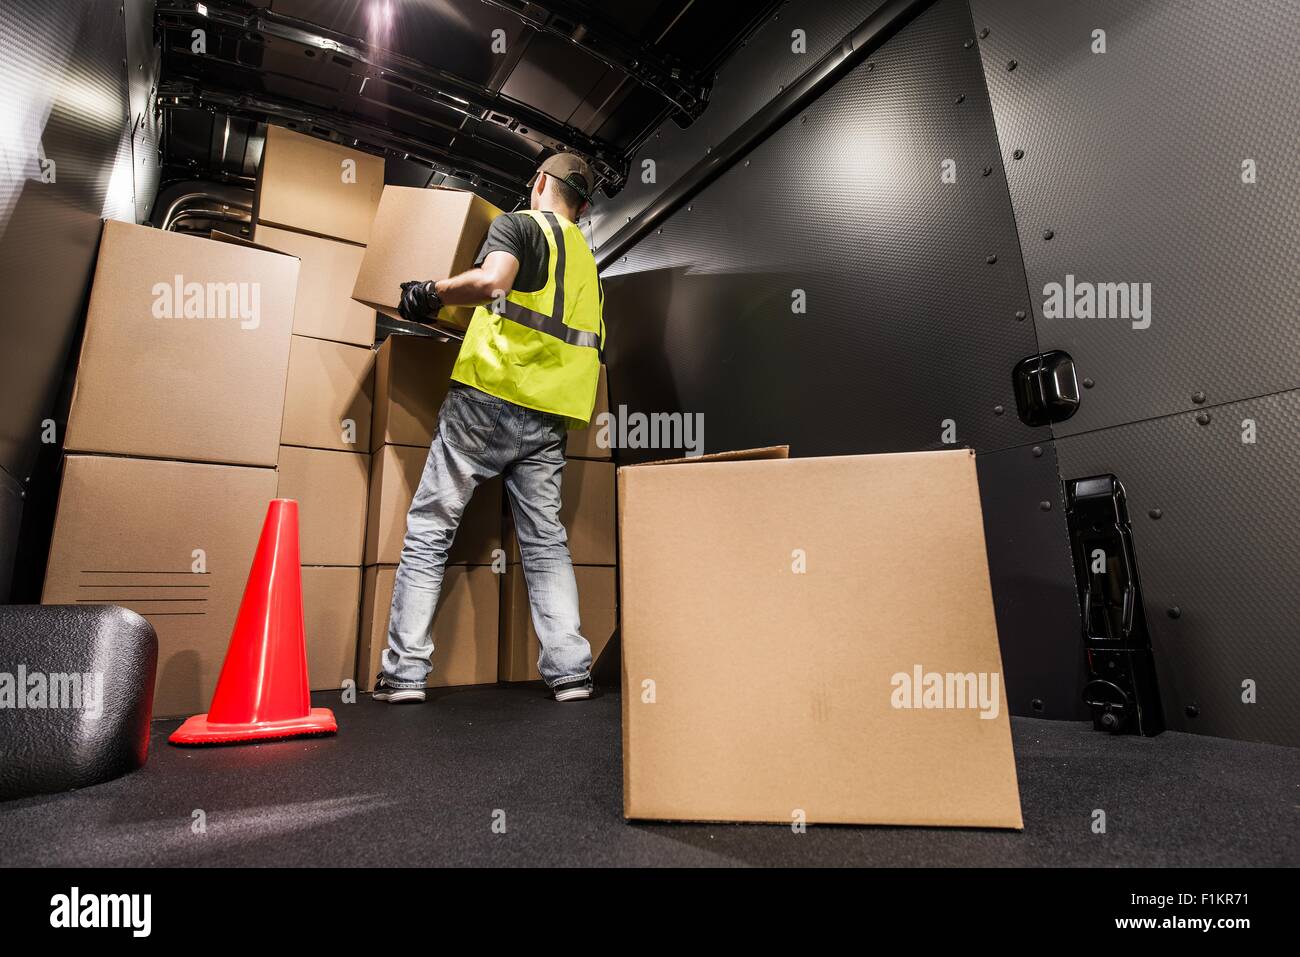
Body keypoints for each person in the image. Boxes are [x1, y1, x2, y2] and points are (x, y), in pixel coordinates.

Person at [373, 153, 605, 704]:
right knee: (545, 542)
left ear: (541, 182)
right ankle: (571, 672)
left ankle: (404, 675)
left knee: (431, 527)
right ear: (583, 206)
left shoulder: (521, 224)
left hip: (488, 397)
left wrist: (430, 292)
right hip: (550, 416)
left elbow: (493, 282)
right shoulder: (588, 265)